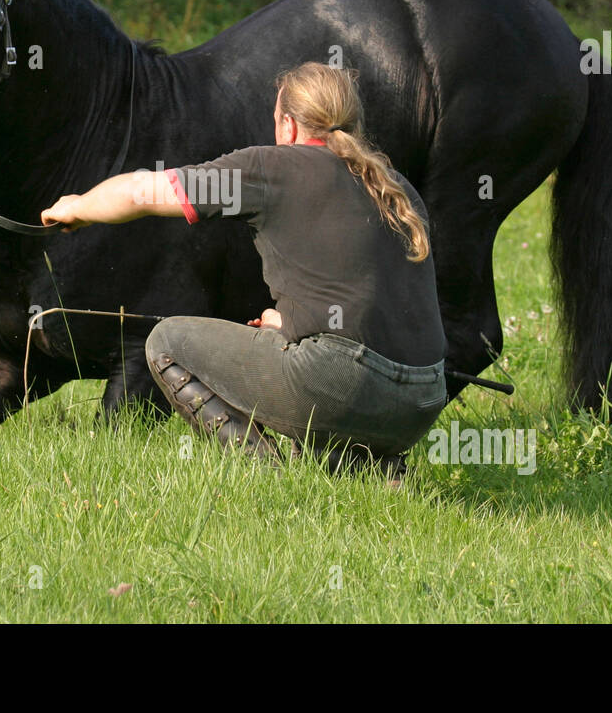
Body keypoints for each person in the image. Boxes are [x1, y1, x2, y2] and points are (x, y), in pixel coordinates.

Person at [40, 61, 447, 478]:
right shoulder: (395, 187)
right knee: (292, 344)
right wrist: (285, 323)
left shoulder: (270, 168)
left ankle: (270, 473)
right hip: (423, 402)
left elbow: (146, 192)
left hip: (342, 384)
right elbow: (369, 298)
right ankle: (367, 466)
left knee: (166, 340)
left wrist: (78, 206)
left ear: (288, 125)